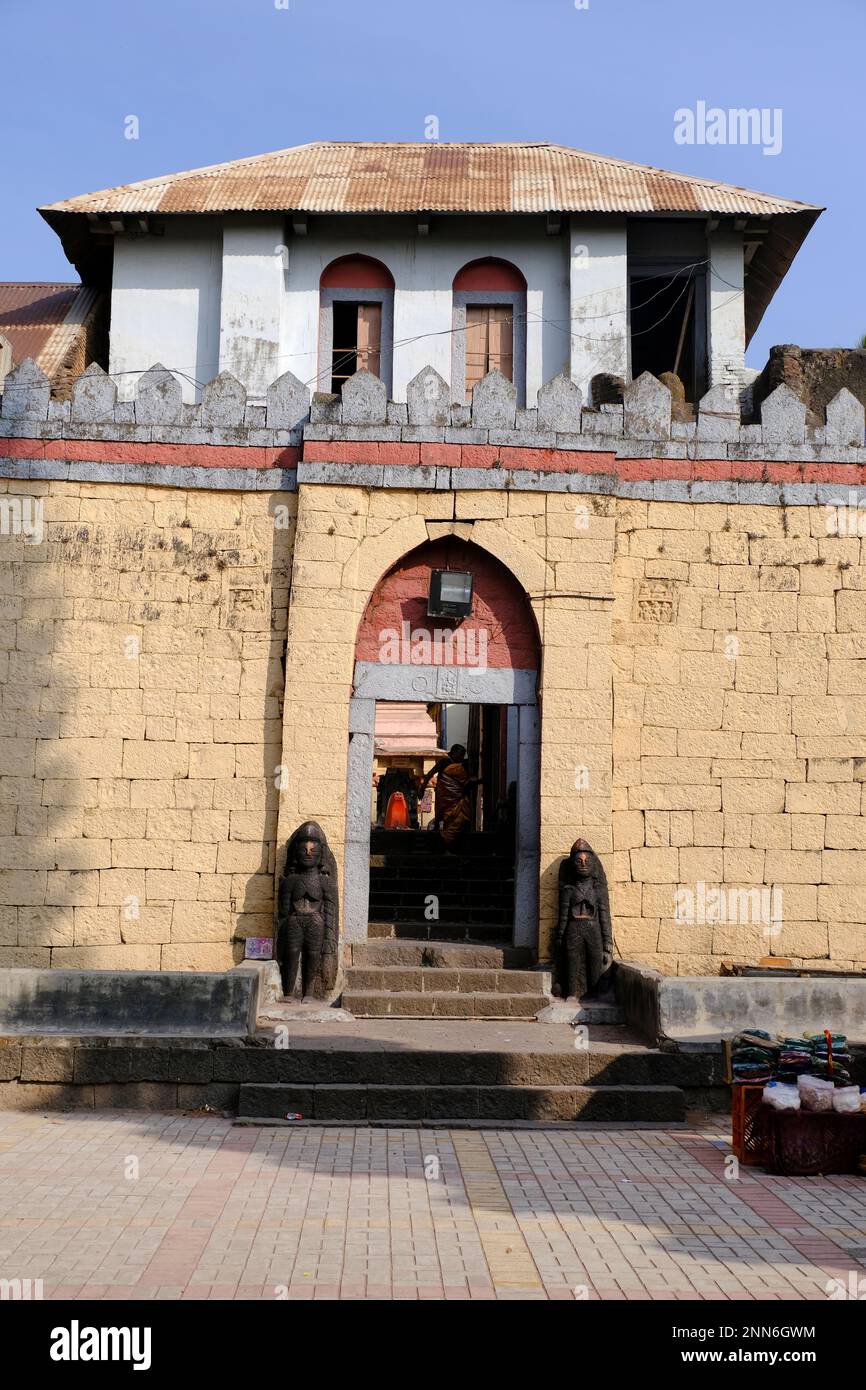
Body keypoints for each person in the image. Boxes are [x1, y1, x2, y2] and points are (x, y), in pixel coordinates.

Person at [418, 744, 479, 848]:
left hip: (456, 798)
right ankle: (439, 844)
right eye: (460, 755)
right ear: (453, 752)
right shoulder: (445, 761)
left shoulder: (460, 766)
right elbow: (430, 773)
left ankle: (450, 845)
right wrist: (423, 788)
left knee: (459, 818)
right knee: (442, 818)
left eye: (463, 755)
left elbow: (464, 783)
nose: (461, 758)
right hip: (445, 797)